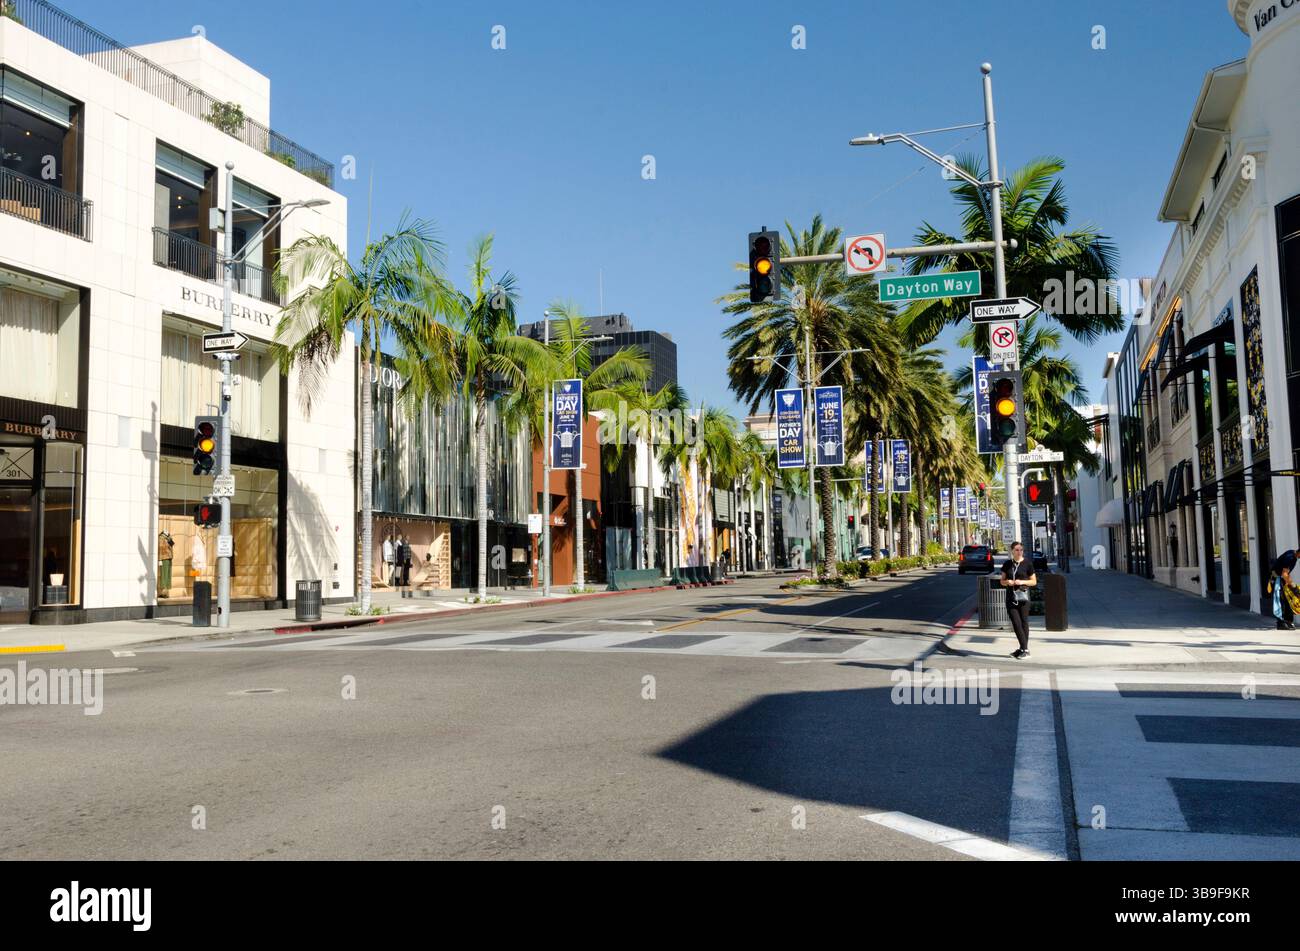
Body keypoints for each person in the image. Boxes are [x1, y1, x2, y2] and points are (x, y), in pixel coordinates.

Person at [1000, 541, 1038, 659]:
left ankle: (1024, 649)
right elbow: (1002, 581)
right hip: (1011, 597)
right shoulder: (1007, 564)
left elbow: (1033, 581)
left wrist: (1022, 582)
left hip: (1023, 597)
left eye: (1021, 549)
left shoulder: (1028, 564)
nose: (1019, 552)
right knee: (1016, 623)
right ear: (1012, 551)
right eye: (1017, 550)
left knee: (1024, 622)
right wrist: (1008, 582)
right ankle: (1023, 648)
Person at [1267, 549, 1298, 631]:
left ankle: (1288, 621)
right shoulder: (1290, 557)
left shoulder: (1293, 554)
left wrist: (1290, 584)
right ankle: (1280, 623)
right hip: (1277, 578)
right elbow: (1284, 574)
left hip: (1281, 578)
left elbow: (1286, 573)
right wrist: (1293, 586)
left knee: (1288, 599)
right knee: (1281, 600)